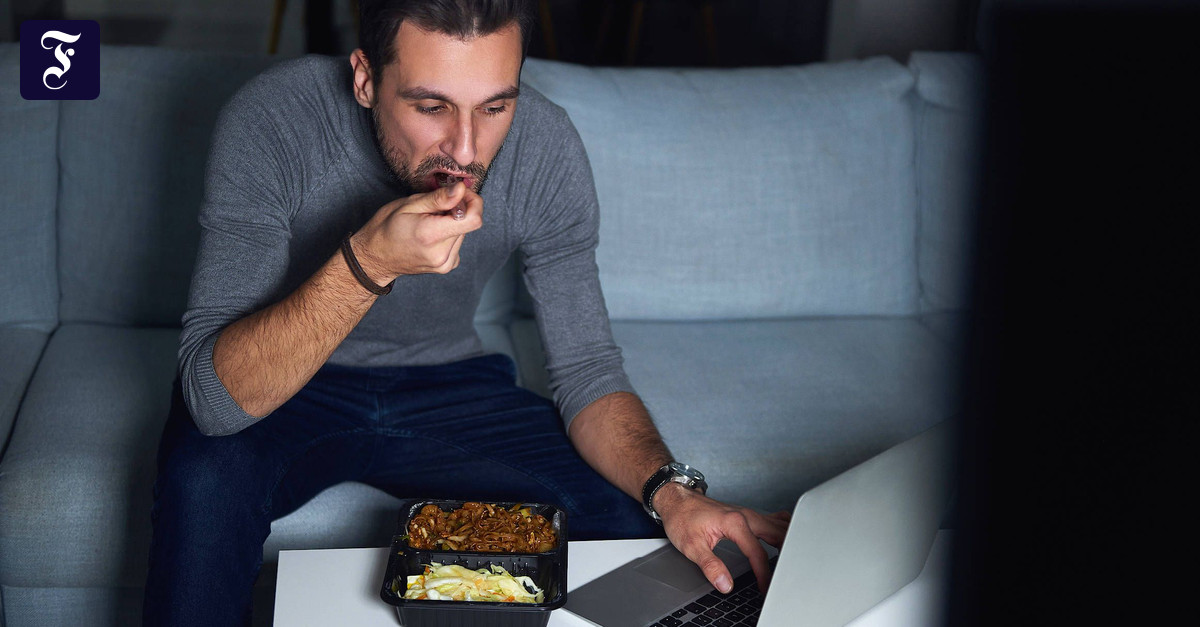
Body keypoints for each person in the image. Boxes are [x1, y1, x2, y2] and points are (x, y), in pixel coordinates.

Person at [143, 1, 789, 624]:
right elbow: (214, 399)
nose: (467, 148)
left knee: (629, 518)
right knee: (200, 481)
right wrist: (369, 262)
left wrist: (673, 493)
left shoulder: (545, 147)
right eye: (432, 106)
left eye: (495, 105)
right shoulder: (273, 120)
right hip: (291, 383)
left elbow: (589, 371)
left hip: (447, 386)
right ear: (366, 78)